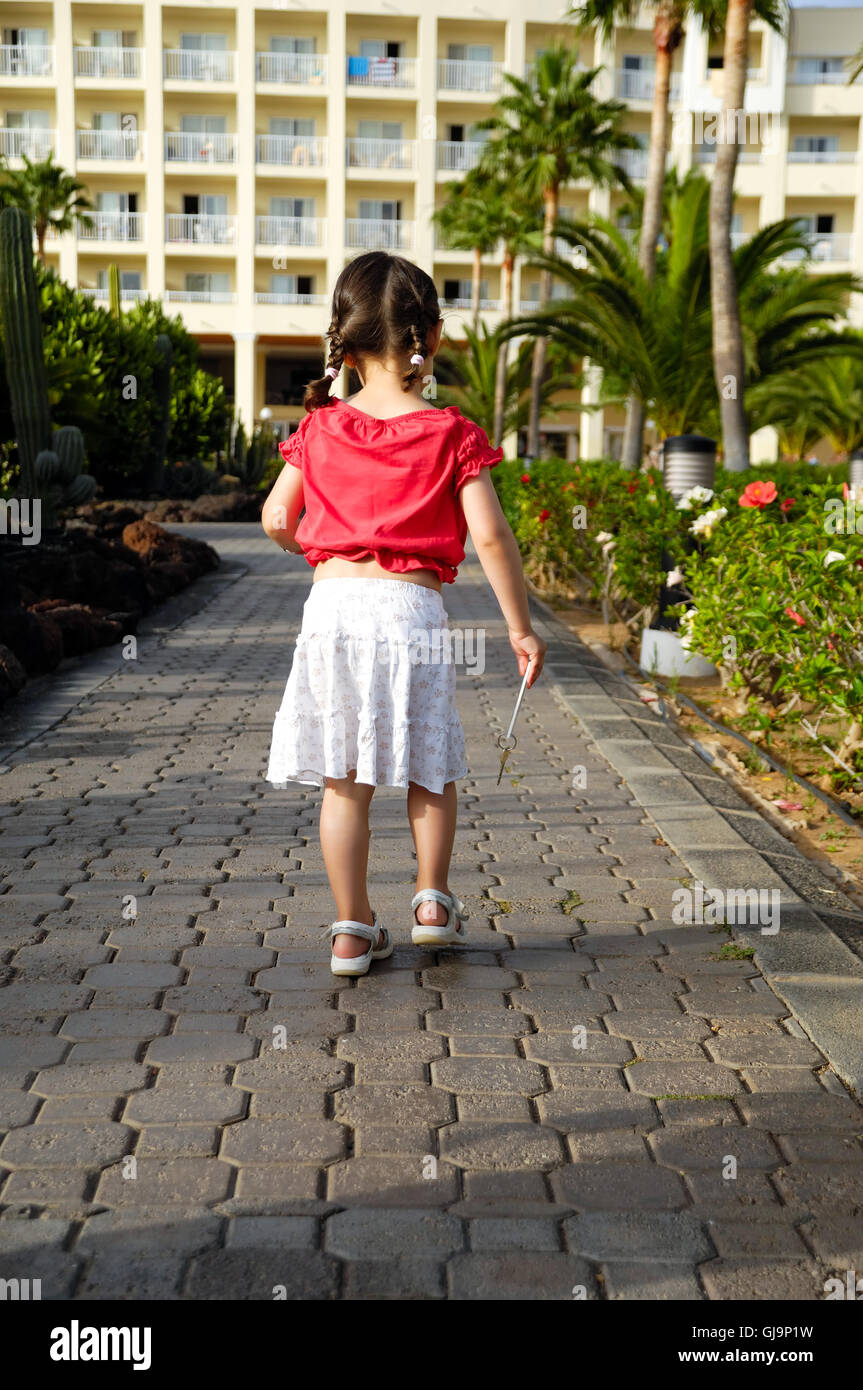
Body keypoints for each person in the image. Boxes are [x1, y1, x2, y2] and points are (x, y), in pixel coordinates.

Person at [261, 252, 546, 976]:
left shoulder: (321, 428)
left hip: (333, 607)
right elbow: (488, 535)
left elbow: (273, 515)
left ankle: (351, 931)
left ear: (344, 343)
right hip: (411, 609)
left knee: (344, 775)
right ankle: (430, 902)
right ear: (432, 337)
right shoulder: (450, 432)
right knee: (429, 763)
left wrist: (324, 554)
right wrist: (518, 627)